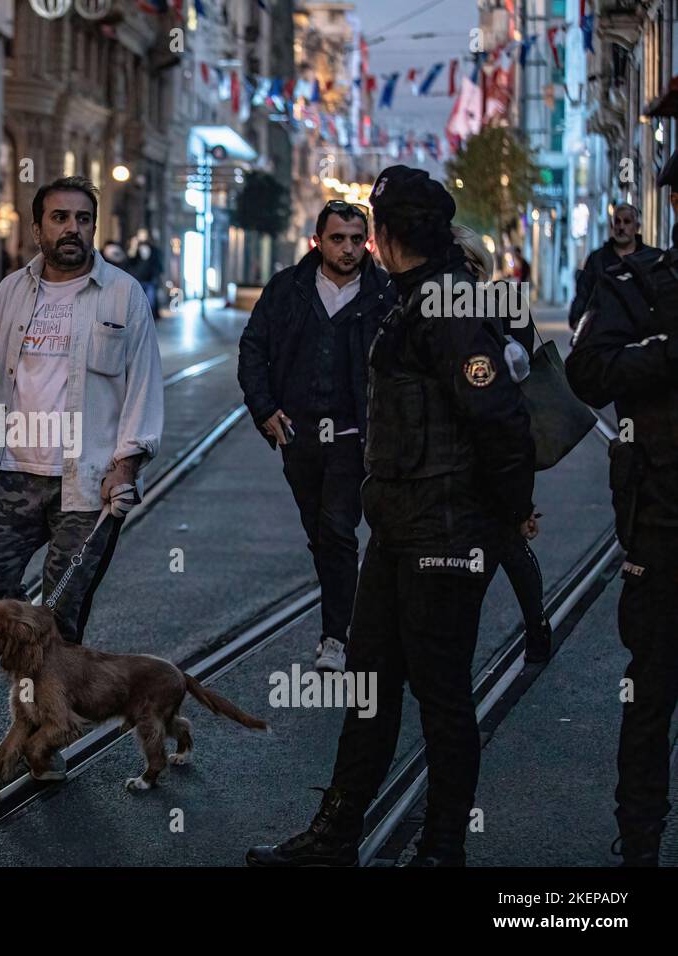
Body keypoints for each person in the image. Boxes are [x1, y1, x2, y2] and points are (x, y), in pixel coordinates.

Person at [247, 166, 536, 868]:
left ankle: (441, 849)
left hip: (443, 533)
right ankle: (337, 833)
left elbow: (498, 418)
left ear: (388, 234)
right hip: (398, 530)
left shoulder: (447, 306)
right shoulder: (413, 298)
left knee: (441, 697)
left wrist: (508, 513)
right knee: (369, 683)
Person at [0, 175, 163, 693]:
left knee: (62, 610)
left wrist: (126, 466)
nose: (72, 229)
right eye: (59, 218)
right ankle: (38, 671)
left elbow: (144, 387)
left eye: (83, 219)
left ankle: (48, 726)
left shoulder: (123, 296)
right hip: (14, 470)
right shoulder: (13, 291)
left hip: (86, 483)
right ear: (37, 227)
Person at [565, 153, 678, 867]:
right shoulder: (641, 283)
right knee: (651, 694)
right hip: (663, 523)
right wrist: (665, 352)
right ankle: (639, 841)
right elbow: (587, 371)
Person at [237, 199, 394, 673]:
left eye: (355, 239)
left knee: (338, 530)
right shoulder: (289, 289)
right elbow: (253, 348)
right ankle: (346, 619)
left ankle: (335, 636)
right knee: (320, 535)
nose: (348, 249)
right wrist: (264, 410)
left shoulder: (384, 293)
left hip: (353, 436)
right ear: (318, 241)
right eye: (337, 239)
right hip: (299, 437)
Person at [452, 226, 552, 663]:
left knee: (505, 540)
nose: (463, 276)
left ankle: (536, 624)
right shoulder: (436, 311)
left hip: (499, 444)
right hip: (454, 451)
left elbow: (520, 372)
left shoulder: (503, 304)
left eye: (470, 265)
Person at [568, 203, 651, 331]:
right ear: (612, 226)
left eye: (627, 221)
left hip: (640, 335)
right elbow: (584, 293)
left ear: (637, 227)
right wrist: (577, 320)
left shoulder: (649, 259)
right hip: (604, 335)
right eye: (617, 222)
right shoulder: (597, 260)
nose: (621, 226)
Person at [127, 236, 163, 317]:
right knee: (137, 302)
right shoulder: (134, 252)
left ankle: (150, 318)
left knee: (151, 302)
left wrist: (157, 278)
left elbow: (158, 266)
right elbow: (129, 263)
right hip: (137, 280)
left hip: (149, 281)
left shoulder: (154, 251)